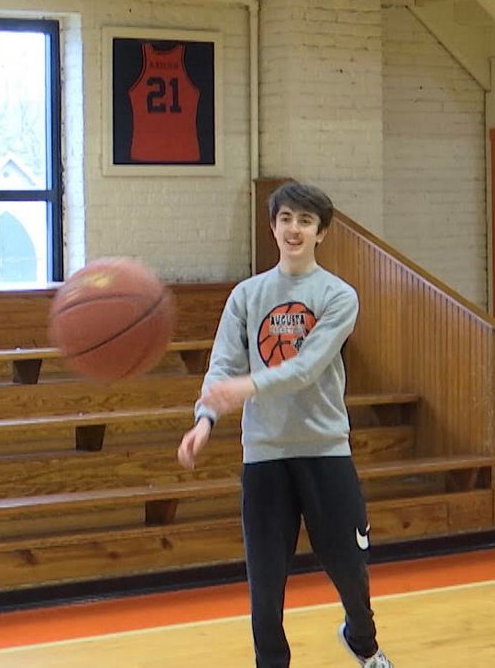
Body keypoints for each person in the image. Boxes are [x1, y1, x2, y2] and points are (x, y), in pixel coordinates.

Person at [177, 181, 394, 668]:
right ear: (272, 226)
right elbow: (222, 366)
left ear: (321, 233)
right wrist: (205, 419)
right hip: (265, 455)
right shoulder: (247, 295)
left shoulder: (338, 295)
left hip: (325, 450)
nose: (294, 228)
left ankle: (363, 642)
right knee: (266, 581)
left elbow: (307, 367)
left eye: (305, 221)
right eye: (286, 218)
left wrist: (246, 388)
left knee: (349, 568)